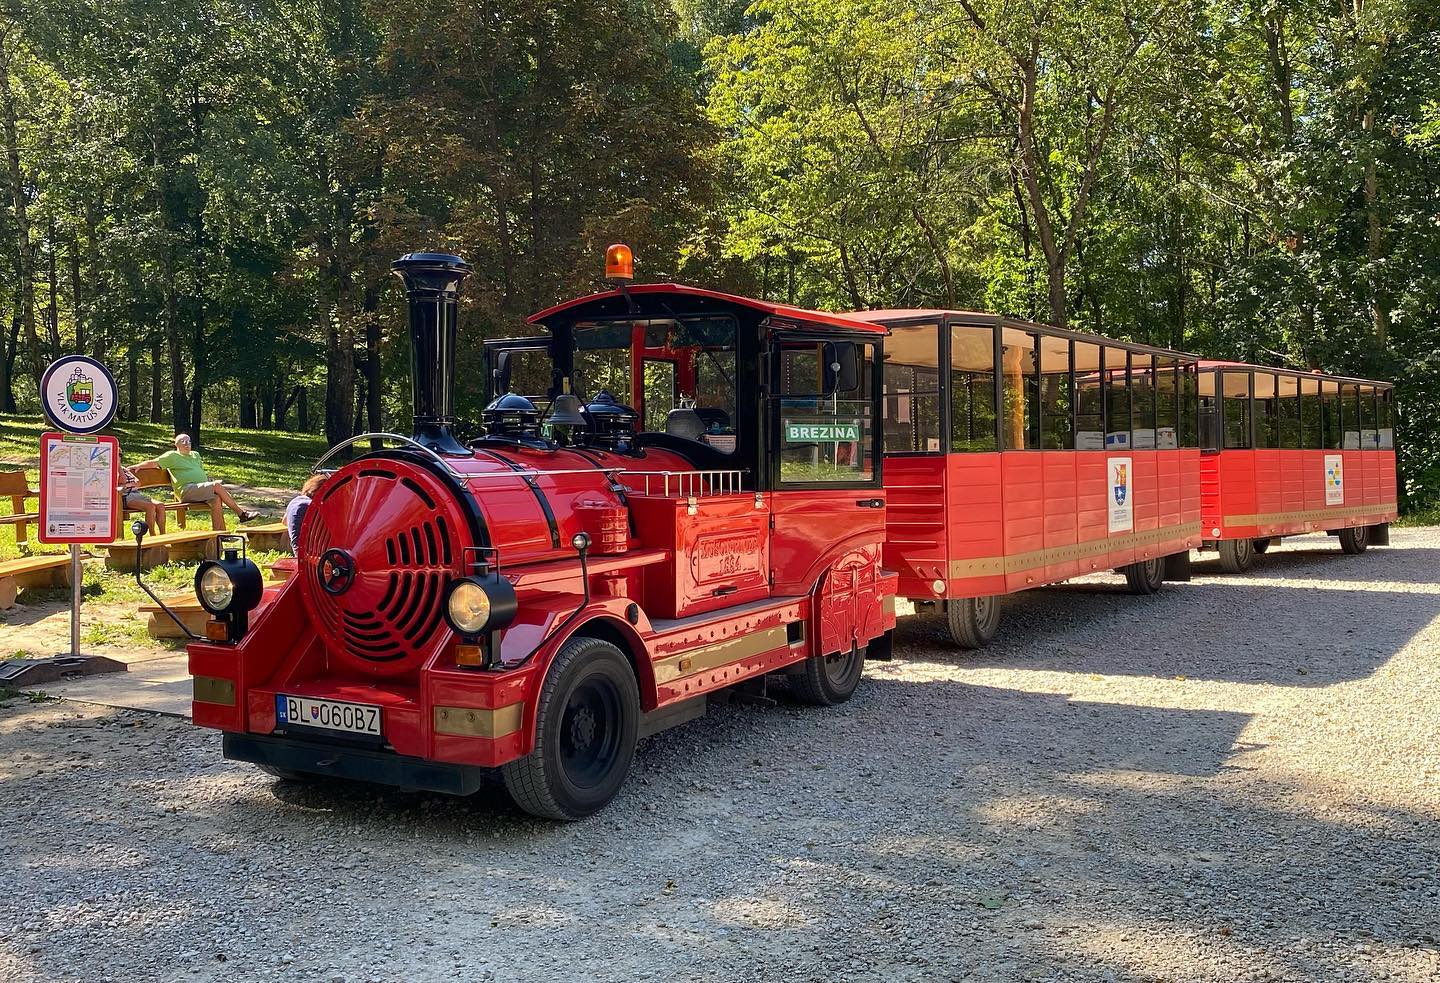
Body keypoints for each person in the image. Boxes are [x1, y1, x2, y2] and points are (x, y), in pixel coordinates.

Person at [136, 433, 261, 528]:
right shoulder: (172, 456)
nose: (186, 443)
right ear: (176, 444)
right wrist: (137, 466)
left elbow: (200, 471)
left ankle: (220, 534)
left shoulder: (196, 455)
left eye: (188, 441)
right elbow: (153, 463)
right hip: (186, 490)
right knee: (217, 486)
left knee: (216, 499)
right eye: (183, 441)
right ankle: (241, 514)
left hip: (199, 489)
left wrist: (207, 480)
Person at [285, 474, 327, 553]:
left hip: (298, 552)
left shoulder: (295, 501)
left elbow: (284, 521)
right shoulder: (311, 506)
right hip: (312, 555)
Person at [118, 465, 165, 535]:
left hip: (137, 493)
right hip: (125, 496)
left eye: (120, 456)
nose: (120, 458)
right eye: (118, 456)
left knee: (160, 505)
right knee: (150, 507)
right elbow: (122, 480)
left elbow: (138, 482)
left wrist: (128, 485)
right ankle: (153, 535)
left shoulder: (124, 468)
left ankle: (163, 534)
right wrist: (118, 466)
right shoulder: (114, 469)